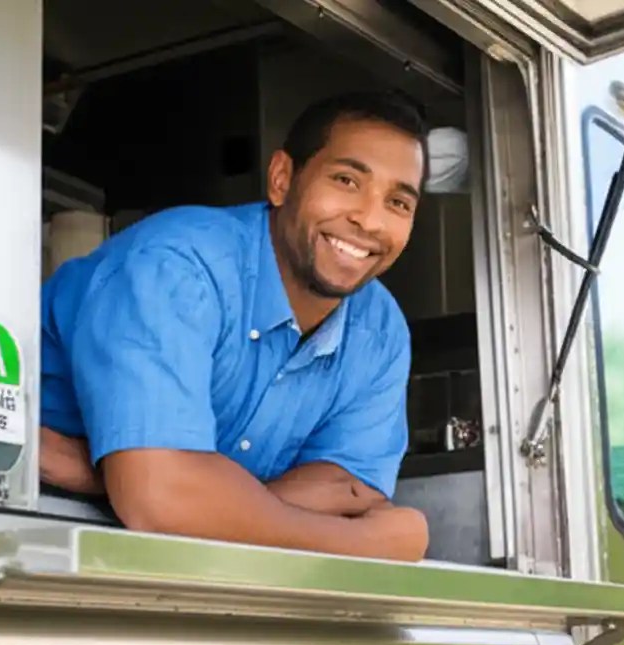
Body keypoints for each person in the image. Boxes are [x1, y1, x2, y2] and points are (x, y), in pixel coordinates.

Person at [37, 91, 431, 562]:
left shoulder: (379, 329)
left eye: (398, 203)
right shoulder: (178, 266)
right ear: (282, 179)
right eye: (346, 180)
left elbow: (349, 486)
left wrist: (185, 487)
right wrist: (372, 544)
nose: (369, 219)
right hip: (22, 519)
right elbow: (159, 503)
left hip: (173, 555)